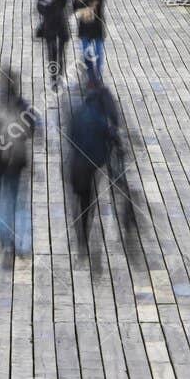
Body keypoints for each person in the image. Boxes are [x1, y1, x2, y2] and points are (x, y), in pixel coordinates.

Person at [61, 75, 127, 261]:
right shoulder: (97, 117)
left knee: (79, 200)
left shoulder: (78, 112)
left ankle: (81, 237)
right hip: (89, 166)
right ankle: (85, 236)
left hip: (75, 165)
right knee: (87, 202)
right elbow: (110, 135)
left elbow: (70, 136)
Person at [0, 66, 36, 258]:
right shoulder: (22, 106)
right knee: (16, 201)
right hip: (15, 162)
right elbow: (33, 128)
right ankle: (21, 243)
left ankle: (4, 241)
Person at [35, 0, 72, 88]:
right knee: (52, 53)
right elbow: (39, 8)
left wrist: (56, 0)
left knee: (61, 53)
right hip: (49, 27)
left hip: (62, 26)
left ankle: (60, 77)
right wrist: (47, 3)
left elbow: (68, 7)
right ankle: (53, 78)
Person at [74, 0, 107, 77]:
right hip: (85, 26)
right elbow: (75, 5)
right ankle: (90, 73)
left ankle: (98, 74)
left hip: (96, 26)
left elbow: (98, 7)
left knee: (98, 52)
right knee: (85, 52)